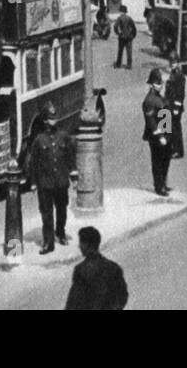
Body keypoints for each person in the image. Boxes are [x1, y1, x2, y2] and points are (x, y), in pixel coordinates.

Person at [24, 102, 76, 255]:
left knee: (62, 210)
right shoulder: (39, 140)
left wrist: (73, 175)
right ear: (45, 121)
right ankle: (48, 242)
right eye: (51, 119)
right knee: (46, 214)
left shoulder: (64, 136)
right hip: (45, 183)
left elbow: (70, 157)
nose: (54, 121)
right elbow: (33, 163)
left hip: (60, 181)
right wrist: (33, 182)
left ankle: (60, 232)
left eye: (55, 118)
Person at [65, 227, 129, 310]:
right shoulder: (113, 267)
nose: (79, 246)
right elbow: (122, 296)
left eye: (81, 243)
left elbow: (74, 302)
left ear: (86, 245)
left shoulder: (81, 270)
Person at [142, 68, 173, 196]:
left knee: (166, 159)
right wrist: (160, 136)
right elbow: (151, 121)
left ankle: (163, 183)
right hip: (156, 136)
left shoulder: (159, 97)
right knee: (157, 161)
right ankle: (159, 186)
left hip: (165, 132)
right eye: (158, 84)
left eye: (161, 84)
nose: (160, 86)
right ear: (151, 84)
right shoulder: (149, 100)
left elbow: (165, 114)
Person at [164, 63, 186, 159]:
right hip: (170, 105)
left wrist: (177, 108)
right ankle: (173, 149)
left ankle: (178, 151)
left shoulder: (179, 75)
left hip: (175, 107)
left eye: (174, 62)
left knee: (176, 130)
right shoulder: (173, 73)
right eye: (171, 62)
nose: (172, 64)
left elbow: (180, 93)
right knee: (171, 128)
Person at [113, 5, 136, 69]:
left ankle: (118, 64)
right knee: (129, 51)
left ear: (121, 11)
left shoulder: (119, 18)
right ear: (126, 11)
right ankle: (129, 65)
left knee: (120, 51)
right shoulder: (129, 18)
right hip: (129, 37)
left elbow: (115, 26)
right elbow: (134, 28)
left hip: (122, 37)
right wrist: (133, 35)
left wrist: (118, 33)